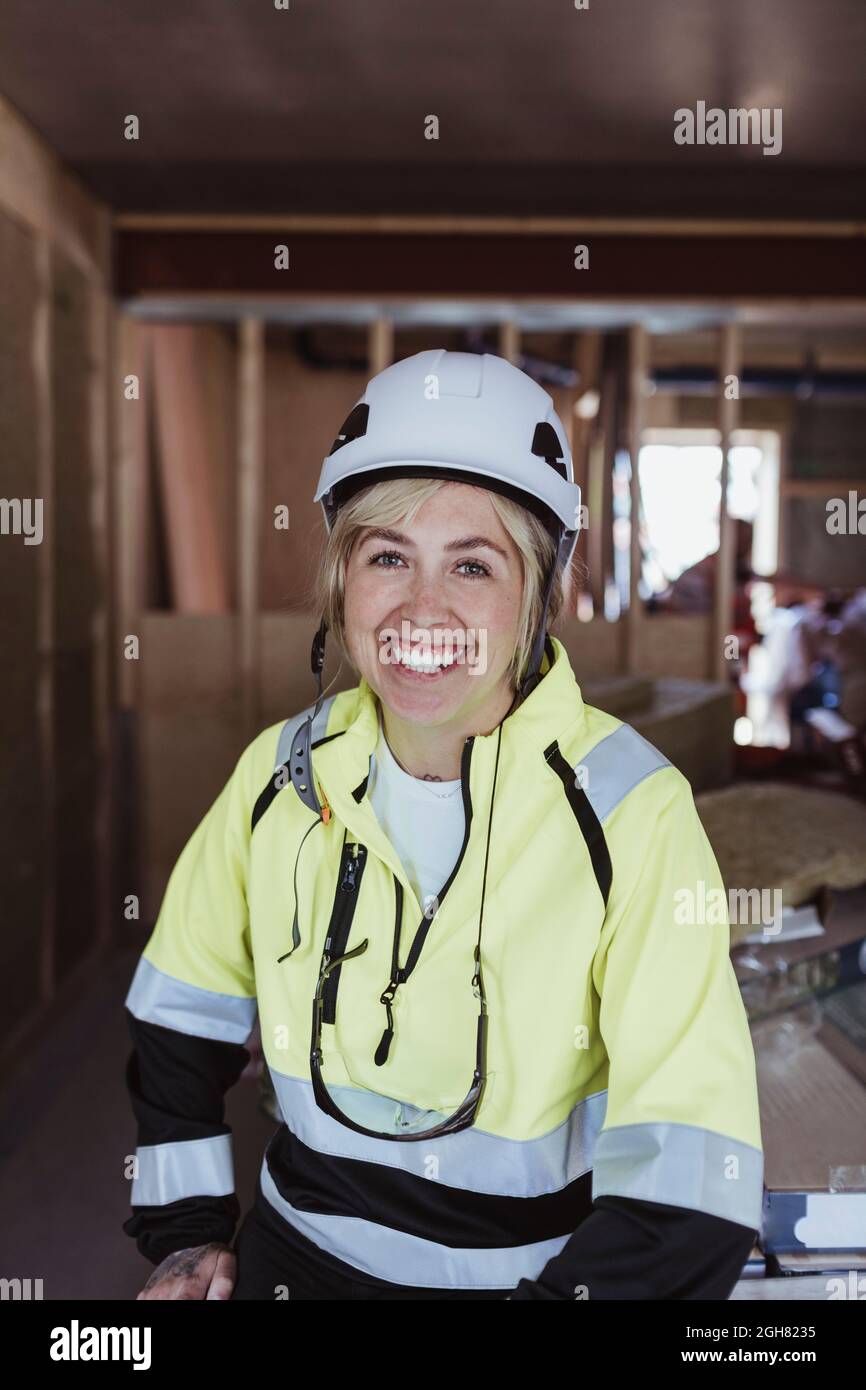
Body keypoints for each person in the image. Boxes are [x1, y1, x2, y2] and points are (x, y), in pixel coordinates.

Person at [123, 350, 763, 1300]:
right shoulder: (280, 775)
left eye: (473, 564)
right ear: (344, 582)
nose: (423, 610)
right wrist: (187, 1238)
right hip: (291, 1260)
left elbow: (694, 1171)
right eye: (388, 557)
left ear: (536, 595)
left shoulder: (631, 810)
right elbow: (179, 1012)